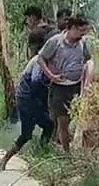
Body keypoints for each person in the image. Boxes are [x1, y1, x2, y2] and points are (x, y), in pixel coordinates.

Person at [38, 15, 95, 151]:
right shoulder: (55, 42)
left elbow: (88, 61)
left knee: (73, 119)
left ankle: (62, 144)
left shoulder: (82, 44)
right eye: (81, 31)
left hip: (76, 86)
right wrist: (51, 75)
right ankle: (66, 152)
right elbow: (41, 58)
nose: (82, 35)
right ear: (73, 28)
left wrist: (87, 81)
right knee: (62, 121)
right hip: (60, 87)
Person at [0, 50, 54, 171]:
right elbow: (36, 84)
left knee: (33, 131)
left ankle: (6, 159)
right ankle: (42, 154)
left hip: (30, 98)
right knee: (45, 126)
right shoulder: (39, 62)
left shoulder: (46, 60)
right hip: (27, 99)